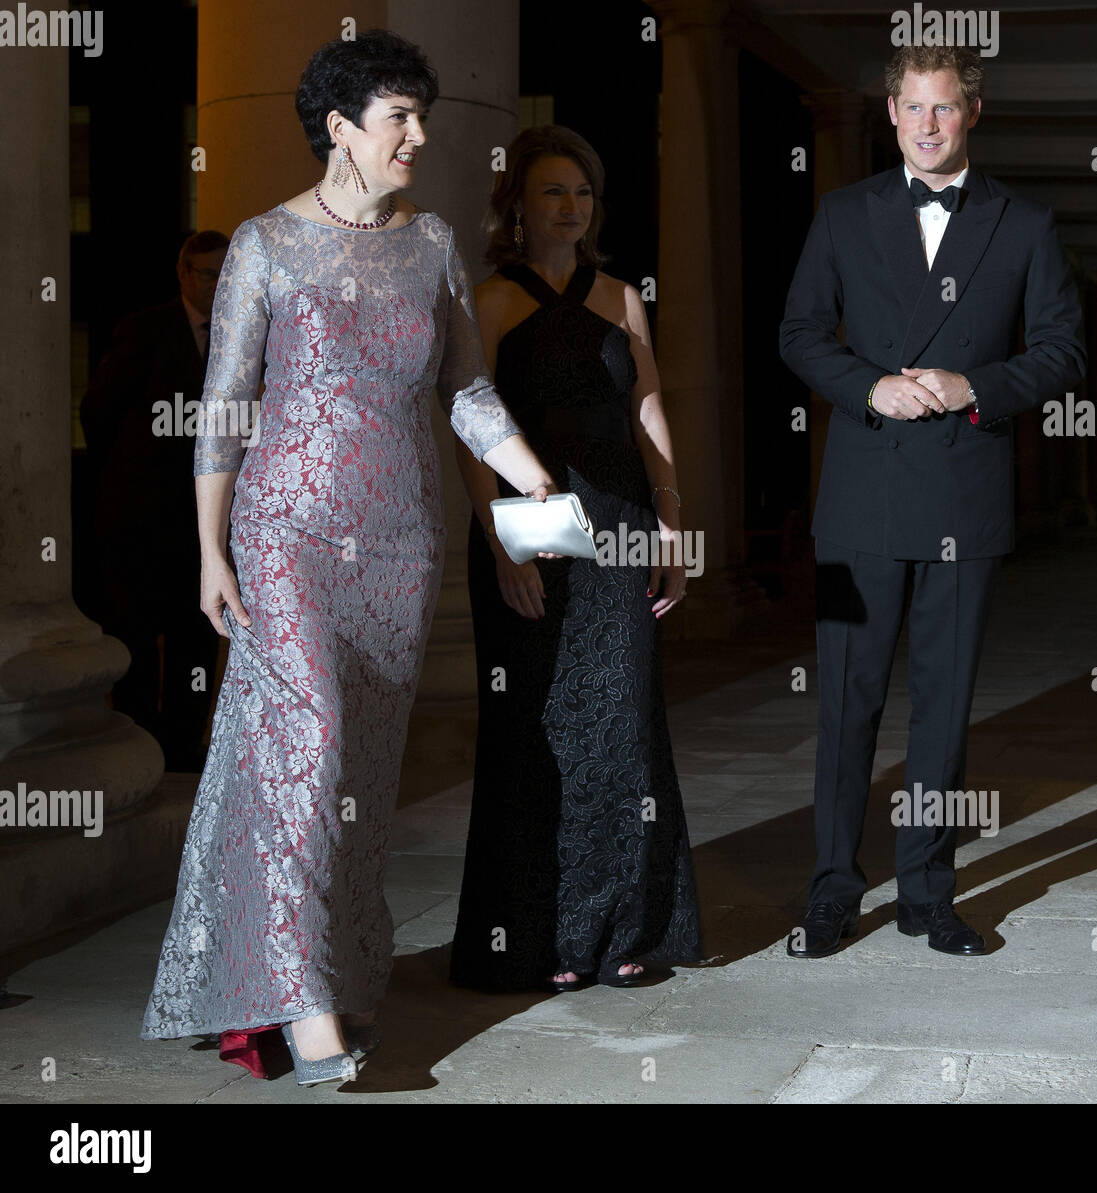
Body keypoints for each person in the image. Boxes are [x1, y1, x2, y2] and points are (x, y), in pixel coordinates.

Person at [140, 29, 560, 1086]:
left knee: (362, 770)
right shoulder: (265, 245)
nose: (419, 134)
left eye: (421, 114)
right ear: (340, 128)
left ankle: (340, 958)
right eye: (399, 118)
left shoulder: (429, 247)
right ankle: (304, 1002)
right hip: (283, 531)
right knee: (313, 745)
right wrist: (209, 548)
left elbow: (463, 390)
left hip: (402, 540)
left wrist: (533, 479)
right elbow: (224, 410)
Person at [779, 44, 1086, 959]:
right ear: (891, 114)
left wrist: (973, 386)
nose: (926, 124)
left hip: (965, 496)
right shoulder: (842, 215)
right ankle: (833, 890)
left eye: (943, 108)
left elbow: (1064, 352)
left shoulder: (1023, 223)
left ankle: (927, 894)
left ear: (972, 114)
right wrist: (868, 387)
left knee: (945, 708)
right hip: (858, 502)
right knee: (846, 703)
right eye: (912, 108)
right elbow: (799, 332)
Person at [448, 126, 701, 992]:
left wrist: (671, 526)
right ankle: (540, 936)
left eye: (583, 194)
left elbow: (650, 414)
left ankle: (626, 928)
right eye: (553, 191)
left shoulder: (625, 297)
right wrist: (496, 544)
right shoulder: (487, 301)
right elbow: (471, 435)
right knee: (537, 730)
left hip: (622, 522)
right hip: (532, 531)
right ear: (516, 203)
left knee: (624, 723)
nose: (570, 207)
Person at [80, 231, 229, 772]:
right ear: (185, 275)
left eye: (224, 273)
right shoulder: (143, 330)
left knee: (197, 638)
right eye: (208, 274)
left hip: (203, 524)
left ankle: (186, 750)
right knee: (138, 639)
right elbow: (98, 413)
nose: (217, 284)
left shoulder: (243, 334)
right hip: (141, 519)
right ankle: (138, 750)